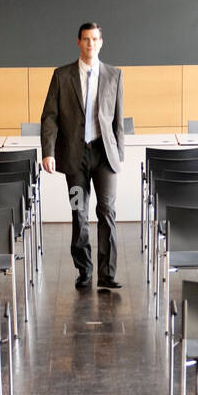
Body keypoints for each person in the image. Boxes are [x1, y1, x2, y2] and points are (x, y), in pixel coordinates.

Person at [41, 22, 125, 291]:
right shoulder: (62, 76)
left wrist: (118, 153)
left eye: (95, 39)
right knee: (79, 211)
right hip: (74, 157)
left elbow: (118, 120)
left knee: (107, 211)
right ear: (78, 42)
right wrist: (48, 152)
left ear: (102, 42)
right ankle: (84, 270)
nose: (91, 44)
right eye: (86, 39)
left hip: (104, 156)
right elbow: (50, 117)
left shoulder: (114, 75)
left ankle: (107, 274)